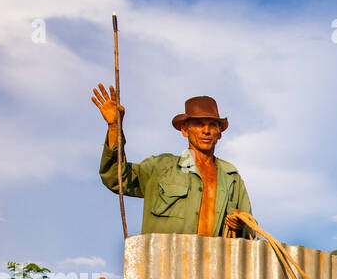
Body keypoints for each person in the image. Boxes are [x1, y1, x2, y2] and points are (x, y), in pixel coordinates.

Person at [92, 85, 254, 238]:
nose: (206, 130)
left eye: (212, 125)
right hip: (166, 264)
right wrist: (114, 127)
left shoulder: (231, 178)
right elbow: (116, 178)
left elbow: (250, 232)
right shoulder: (160, 167)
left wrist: (241, 225)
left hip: (215, 264)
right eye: (199, 124)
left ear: (219, 133)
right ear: (184, 130)